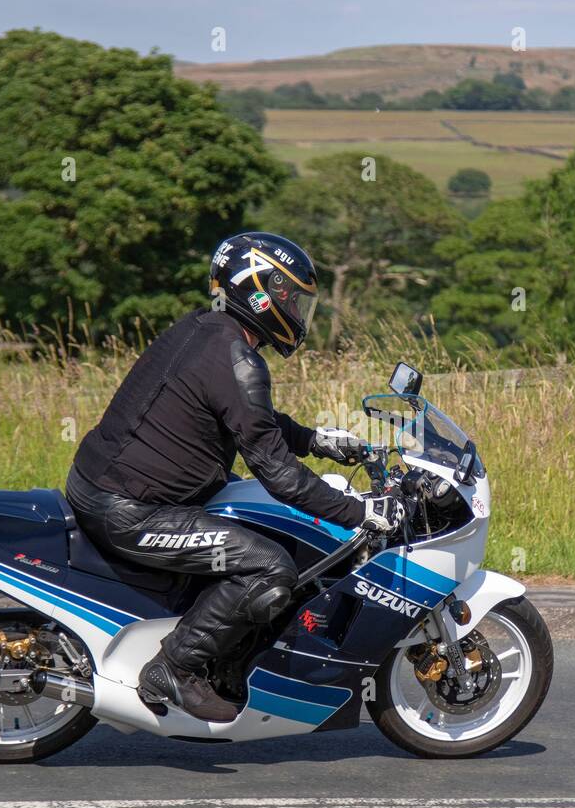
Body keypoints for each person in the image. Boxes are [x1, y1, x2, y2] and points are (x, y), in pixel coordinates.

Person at [65, 232, 403, 722]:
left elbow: (248, 419)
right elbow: (279, 476)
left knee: (258, 531)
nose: (295, 311)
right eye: (290, 298)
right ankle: (173, 669)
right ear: (259, 292)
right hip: (132, 512)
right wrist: (361, 513)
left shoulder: (204, 330)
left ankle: (224, 656)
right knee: (270, 567)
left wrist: (316, 440)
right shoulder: (238, 359)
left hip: (108, 488)